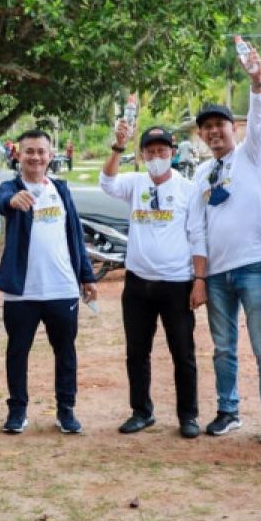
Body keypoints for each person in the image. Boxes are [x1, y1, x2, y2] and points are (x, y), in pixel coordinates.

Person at [192, 44, 261, 443]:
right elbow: (196, 227)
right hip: (215, 272)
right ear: (201, 135)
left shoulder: (250, 155)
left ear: (234, 129)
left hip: (252, 266)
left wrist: (257, 81)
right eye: (207, 127)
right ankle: (228, 410)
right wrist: (199, 277)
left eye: (221, 125)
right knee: (223, 348)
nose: (215, 132)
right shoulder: (200, 172)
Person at [101, 124, 205, 439]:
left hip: (176, 283)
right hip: (137, 284)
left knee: (182, 352)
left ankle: (188, 416)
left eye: (162, 151)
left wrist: (200, 279)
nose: (156, 157)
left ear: (172, 154)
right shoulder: (135, 183)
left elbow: (198, 236)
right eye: (150, 152)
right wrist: (117, 147)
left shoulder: (188, 189)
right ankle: (141, 412)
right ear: (143, 155)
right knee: (137, 351)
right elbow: (106, 182)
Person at [0, 129, 98, 435]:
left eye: (41, 151)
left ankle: (66, 410)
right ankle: (17, 411)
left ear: (51, 156)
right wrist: (13, 200)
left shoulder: (61, 190)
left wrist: (87, 276)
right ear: (18, 155)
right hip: (21, 291)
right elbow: (2, 202)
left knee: (65, 351)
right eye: (29, 151)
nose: (36, 157)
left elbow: (75, 236)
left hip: (61, 287)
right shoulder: (9, 188)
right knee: (17, 351)